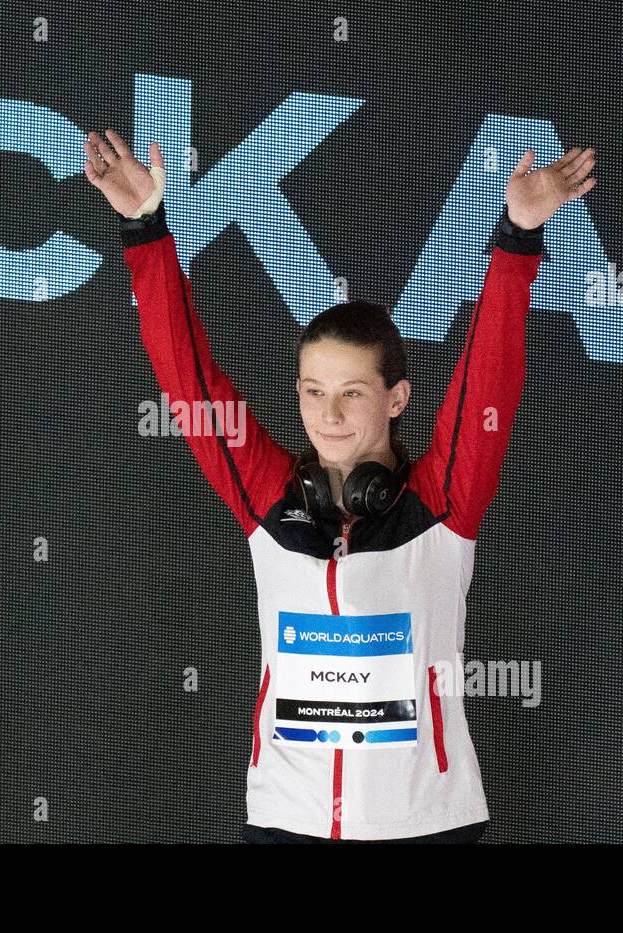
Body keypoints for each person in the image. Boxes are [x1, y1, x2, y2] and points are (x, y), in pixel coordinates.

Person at [84, 128, 596, 842]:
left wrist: (516, 243)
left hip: (425, 827)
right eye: (313, 390)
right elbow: (188, 380)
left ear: (395, 398)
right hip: (283, 822)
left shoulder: (441, 506)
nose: (328, 414)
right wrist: (145, 229)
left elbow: (490, 381)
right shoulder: (269, 500)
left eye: (352, 393)